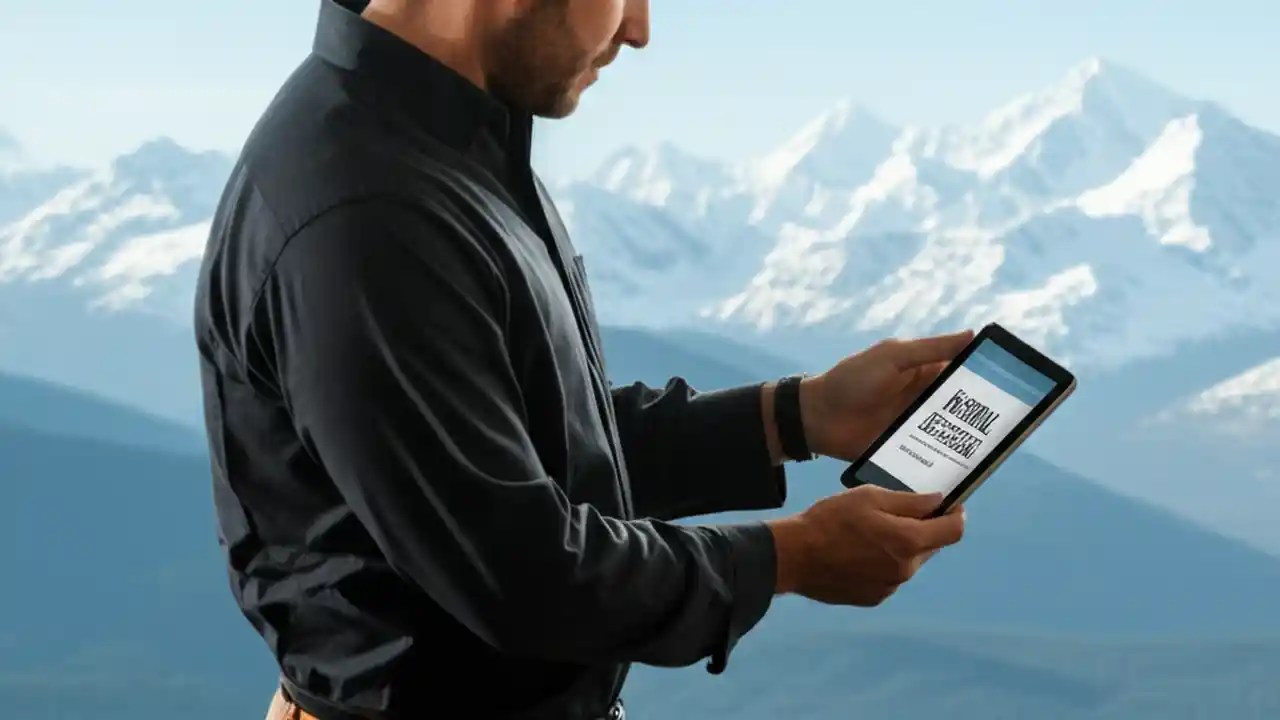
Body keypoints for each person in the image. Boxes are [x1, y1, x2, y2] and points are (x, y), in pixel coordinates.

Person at [191, 1, 970, 718]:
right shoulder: (369, 215)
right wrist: (793, 557)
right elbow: (523, 576)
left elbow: (529, 451)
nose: (638, 29)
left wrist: (793, 418)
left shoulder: (441, 148)